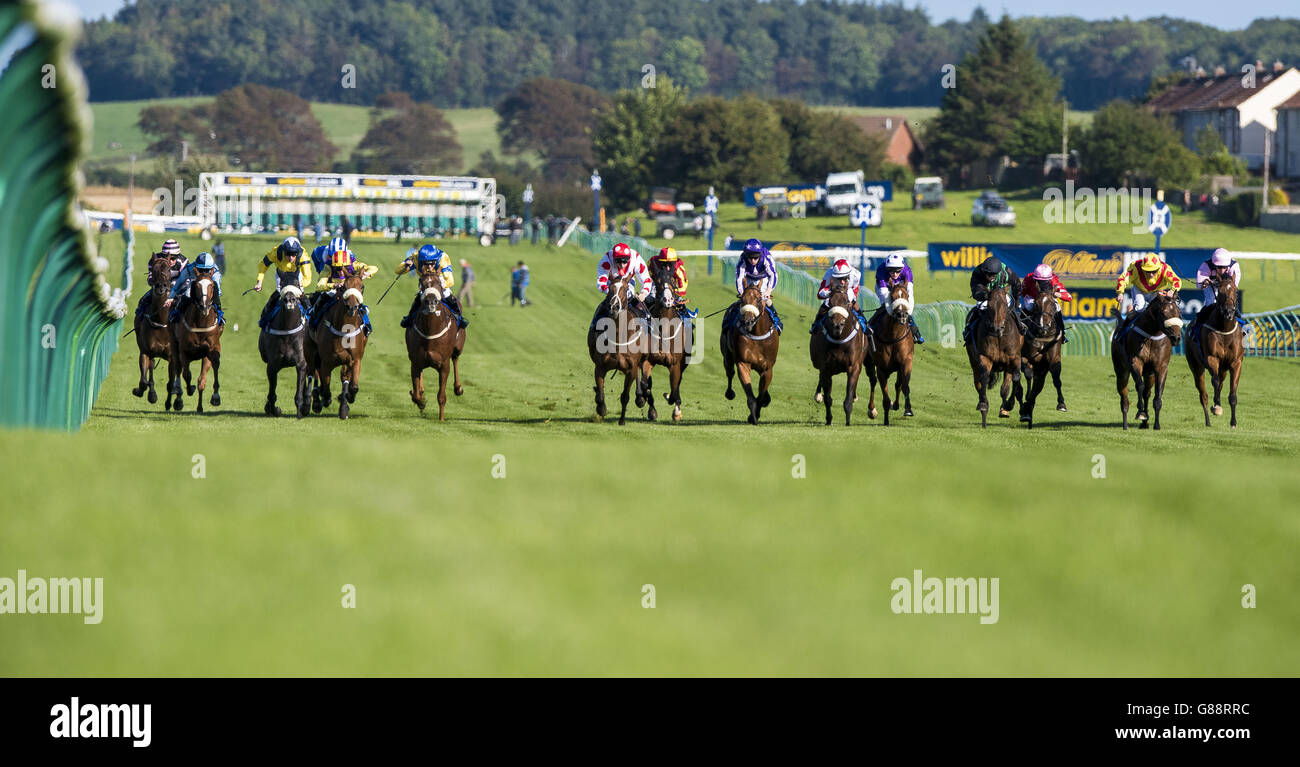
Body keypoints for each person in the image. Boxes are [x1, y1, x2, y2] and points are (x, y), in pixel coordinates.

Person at [310, 239, 378, 334]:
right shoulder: (328, 267)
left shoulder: (353, 263)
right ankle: (312, 323)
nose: (341, 272)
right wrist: (334, 285)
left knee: (362, 307)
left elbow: (374, 268)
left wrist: (367, 274)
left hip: (349, 290)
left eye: (345, 268)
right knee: (320, 301)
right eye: (338, 268)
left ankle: (367, 325)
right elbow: (319, 286)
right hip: (333, 291)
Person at [397, 244, 466, 329]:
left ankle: (459, 317)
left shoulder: (443, 257)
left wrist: (439, 286)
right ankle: (410, 317)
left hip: (439, 278)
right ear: (421, 260)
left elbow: (450, 281)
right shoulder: (415, 257)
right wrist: (405, 266)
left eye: (432, 263)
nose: (429, 267)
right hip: (426, 279)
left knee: (447, 293)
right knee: (420, 295)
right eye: (426, 264)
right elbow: (397, 270)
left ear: (436, 260)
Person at [255, 237, 313, 329]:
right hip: (281, 275)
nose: (290, 258)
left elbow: (307, 278)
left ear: (297, 253)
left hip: (296, 277)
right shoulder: (276, 252)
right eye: (288, 254)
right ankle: (263, 319)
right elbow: (263, 265)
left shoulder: (303, 256)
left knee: (301, 295)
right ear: (283, 251)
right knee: (278, 293)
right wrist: (259, 282)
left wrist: (298, 286)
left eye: (293, 255)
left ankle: (311, 319)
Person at [1189, 247, 1245, 340]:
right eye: (1219, 267)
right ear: (1214, 264)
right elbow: (1199, 284)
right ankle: (1195, 329)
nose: (1222, 270)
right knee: (1211, 303)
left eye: (1224, 267)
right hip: (1211, 287)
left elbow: (1234, 285)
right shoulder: (1206, 265)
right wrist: (1205, 283)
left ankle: (1243, 329)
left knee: (1231, 304)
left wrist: (1219, 283)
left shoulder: (1234, 266)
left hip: (1226, 287)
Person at [963, 256, 1022, 344]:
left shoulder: (1006, 272)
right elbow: (976, 291)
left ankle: (1021, 327)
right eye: (988, 275)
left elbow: (1017, 283)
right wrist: (989, 296)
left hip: (1002, 294)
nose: (990, 277)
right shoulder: (978, 273)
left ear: (998, 272)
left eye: (993, 275)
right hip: (986, 295)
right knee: (980, 308)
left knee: (1011, 308)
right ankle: (968, 331)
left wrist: (1016, 302)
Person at [728, 238, 782, 333]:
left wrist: (768, 291)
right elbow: (739, 278)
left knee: (766, 300)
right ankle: (730, 323)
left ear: (760, 255)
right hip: (748, 279)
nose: (752, 260)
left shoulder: (767, 257)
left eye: (755, 258)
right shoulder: (742, 259)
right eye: (750, 258)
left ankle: (776, 320)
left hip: (763, 279)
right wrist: (742, 293)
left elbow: (773, 275)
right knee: (745, 300)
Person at [1114, 253, 1180, 331]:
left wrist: (1172, 290)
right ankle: (1127, 328)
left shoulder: (1165, 269)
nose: (1151, 274)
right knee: (1140, 308)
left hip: (1156, 292)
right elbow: (1123, 279)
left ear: (1159, 267)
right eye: (1147, 271)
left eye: (1154, 271)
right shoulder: (1136, 267)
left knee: (1160, 310)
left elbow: (1177, 281)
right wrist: (1120, 293)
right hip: (1139, 290)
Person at [591, 243, 650, 328]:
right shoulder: (606, 260)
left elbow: (646, 279)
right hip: (612, 283)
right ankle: (594, 325)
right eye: (618, 261)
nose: (622, 265)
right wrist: (613, 292)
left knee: (634, 300)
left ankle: (649, 325)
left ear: (629, 258)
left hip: (628, 282)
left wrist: (644, 293)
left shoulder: (636, 259)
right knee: (604, 305)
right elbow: (601, 283)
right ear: (613, 258)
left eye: (625, 261)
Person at [873, 253, 926, 343]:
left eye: (898, 271)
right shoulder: (881, 270)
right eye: (891, 271)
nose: (894, 274)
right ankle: (871, 326)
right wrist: (891, 306)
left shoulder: (907, 271)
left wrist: (907, 310)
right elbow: (884, 293)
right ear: (887, 269)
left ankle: (916, 333)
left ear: (901, 269)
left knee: (904, 309)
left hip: (901, 288)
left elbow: (909, 292)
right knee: (884, 307)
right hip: (885, 288)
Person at [165, 250, 224, 325]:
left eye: (207, 270)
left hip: (210, 284)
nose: (204, 273)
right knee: (187, 293)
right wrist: (170, 297)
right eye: (201, 270)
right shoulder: (189, 269)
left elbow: (218, 290)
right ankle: (178, 312)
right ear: (195, 267)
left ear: (211, 269)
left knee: (215, 291)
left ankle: (219, 314)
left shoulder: (215, 272)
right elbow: (178, 284)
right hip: (195, 281)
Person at [809, 258, 865, 335]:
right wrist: (831, 293)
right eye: (839, 278)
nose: (842, 281)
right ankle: (816, 324)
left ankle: (865, 325)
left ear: (849, 274)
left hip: (848, 291)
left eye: (844, 278)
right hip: (833, 292)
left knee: (856, 306)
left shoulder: (856, 275)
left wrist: (852, 300)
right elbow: (820, 294)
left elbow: (855, 289)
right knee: (825, 304)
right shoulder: (829, 273)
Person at [135, 238, 187, 320]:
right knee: (143, 300)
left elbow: (186, 281)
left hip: (177, 287)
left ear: (178, 256)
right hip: (159, 286)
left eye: (173, 258)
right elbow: (150, 276)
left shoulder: (183, 262)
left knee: (186, 302)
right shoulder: (155, 260)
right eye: (167, 257)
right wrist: (152, 281)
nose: (170, 261)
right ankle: (140, 319)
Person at [1019, 263, 1070, 343]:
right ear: (1034, 279)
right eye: (1039, 281)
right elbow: (1023, 291)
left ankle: (1062, 332)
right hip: (1033, 297)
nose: (1041, 284)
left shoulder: (1054, 280)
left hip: (1048, 298)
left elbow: (1068, 297)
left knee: (1057, 307)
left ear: (1050, 279)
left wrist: (1058, 294)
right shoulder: (1029, 278)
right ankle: (1020, 330)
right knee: (1028, 305)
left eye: (1044, 282)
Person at [648, 247, 696, 320]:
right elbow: (648, 279)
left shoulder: (679, 269)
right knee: (649, 299)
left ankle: (686, 315)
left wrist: (673, 292)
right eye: (665, 264)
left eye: (670, 264)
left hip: (673, 286)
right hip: (657, 284)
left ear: (674, 263)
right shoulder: (652, 264)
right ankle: (645, 316)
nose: (667, 268)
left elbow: (683, 287)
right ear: (660, 262)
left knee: (679, 301)